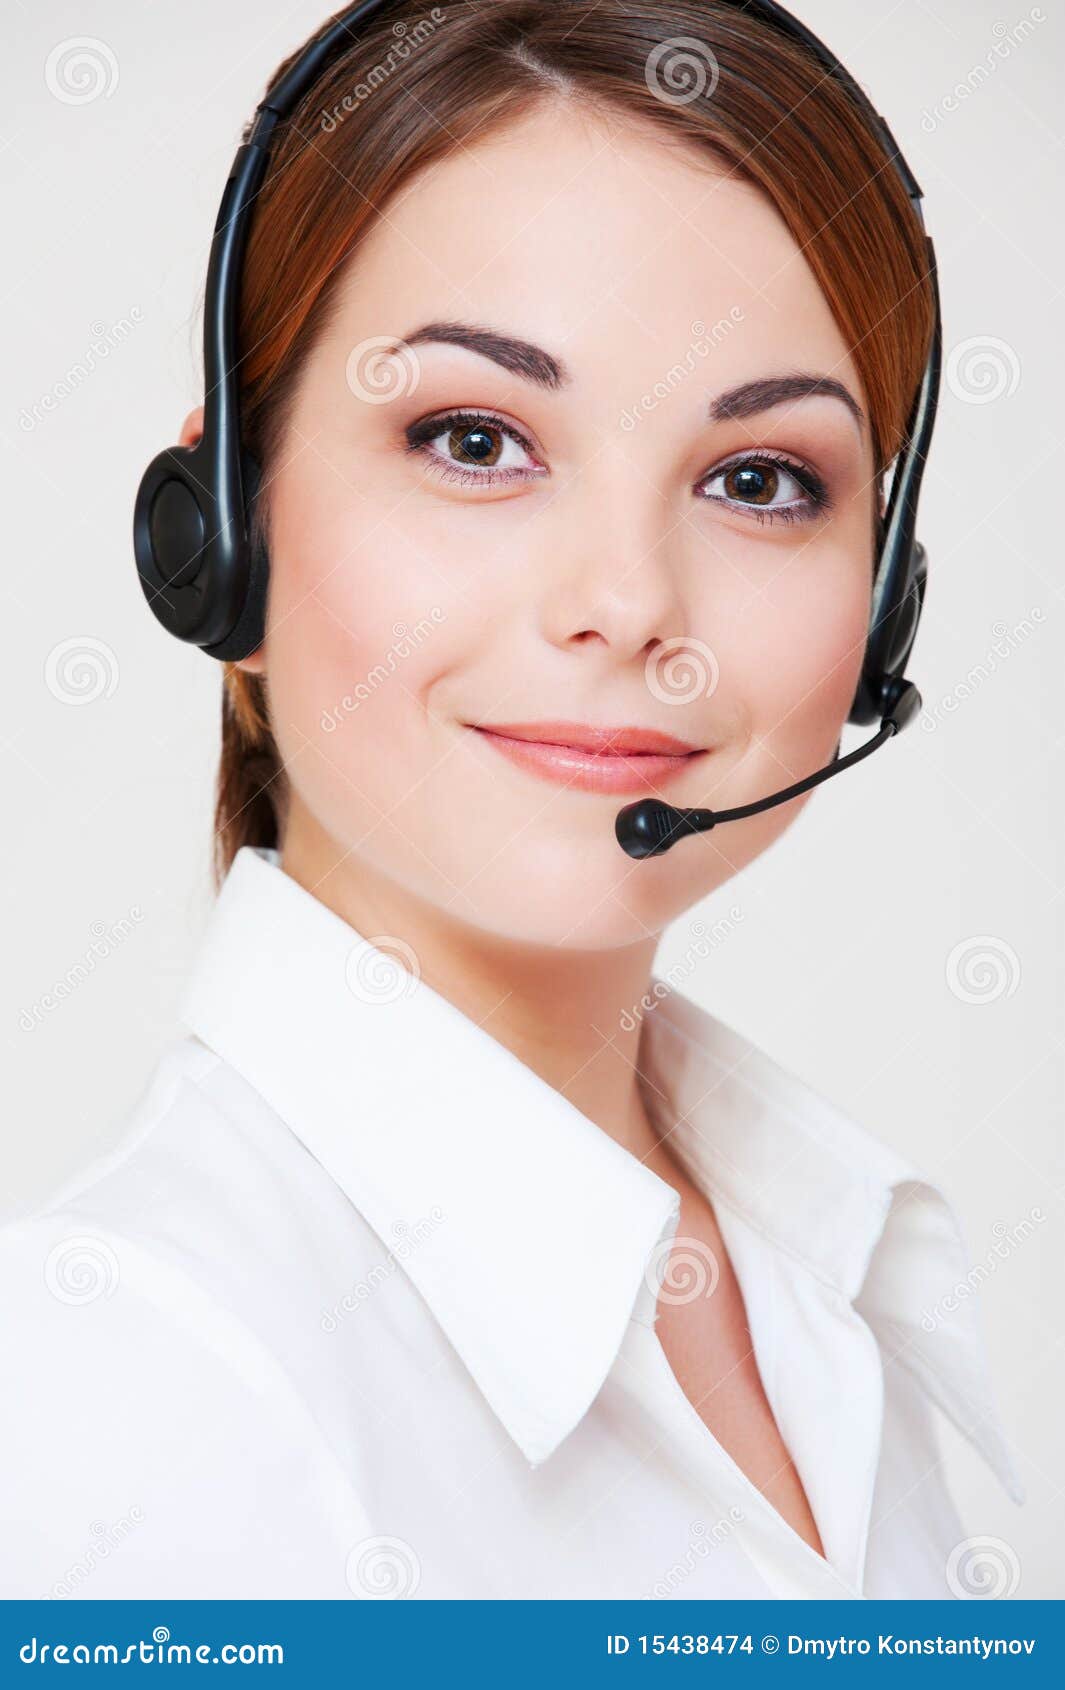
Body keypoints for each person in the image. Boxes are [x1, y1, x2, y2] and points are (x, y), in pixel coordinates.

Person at [0, 0, 1022, 1600]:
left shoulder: (818, 1260)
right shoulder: (120, 1400)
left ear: (884, 601)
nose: (625, 602)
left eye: (758, 479)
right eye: (474, 439)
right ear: (215, 537)